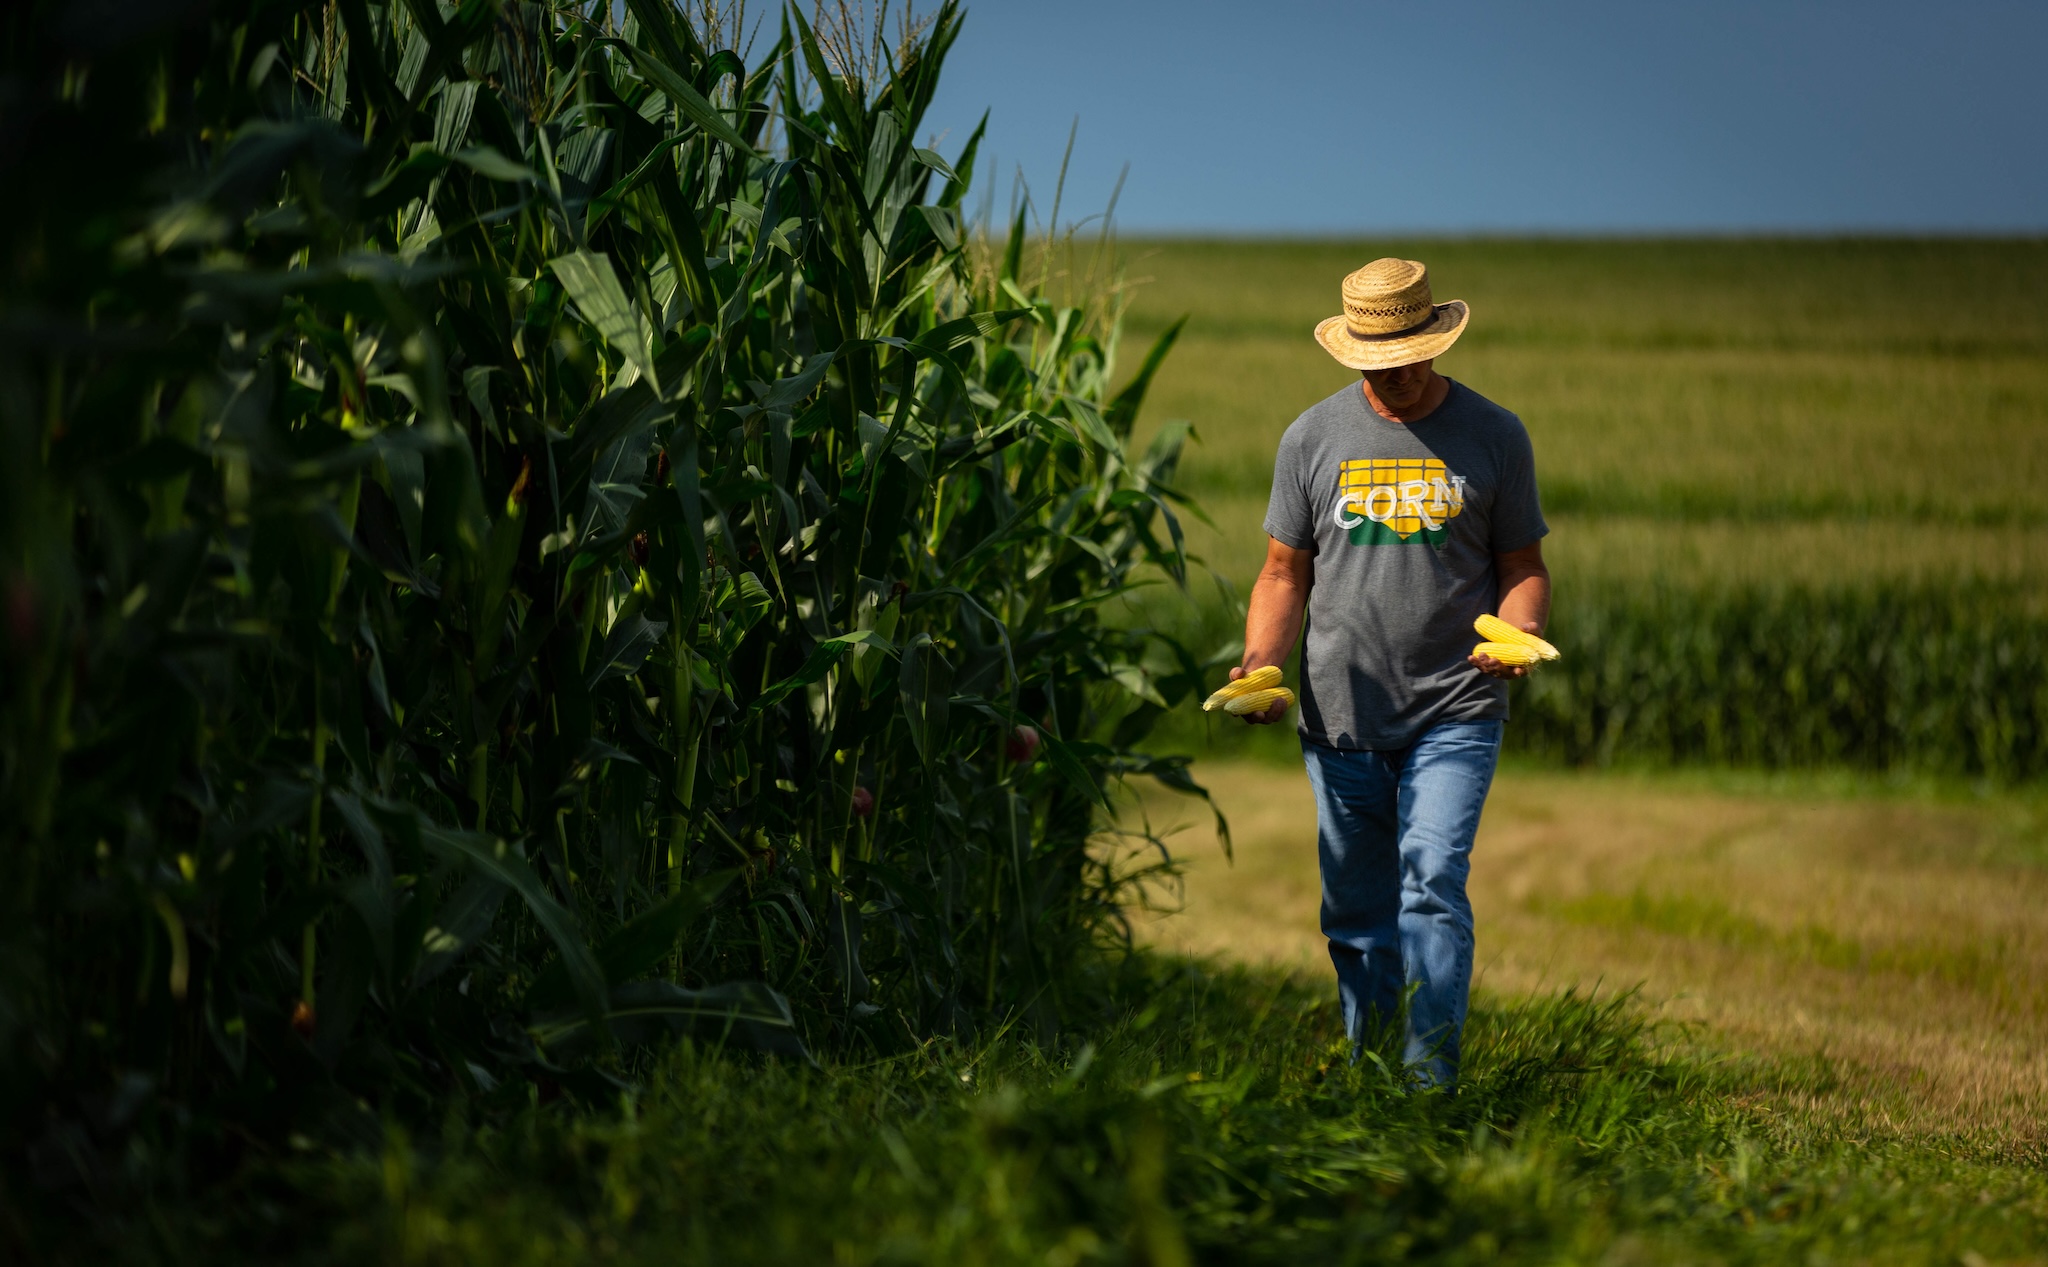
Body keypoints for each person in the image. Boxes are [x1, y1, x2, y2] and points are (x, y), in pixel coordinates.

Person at [1233, 257, 1550, 1087]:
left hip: (1456, 709)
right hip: (1340, 717)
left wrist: (1519, 633)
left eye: (1408, 353)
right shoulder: (1310, 438)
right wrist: (1262, 664)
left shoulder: (1493, 435)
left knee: (1433, 883)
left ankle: (1427, 1086)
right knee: (1356, 916)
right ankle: (1369, 1076)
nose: (1395, 373)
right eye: (1377, 359)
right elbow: (1281, 573)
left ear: (1434, 340)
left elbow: (1522, 563)